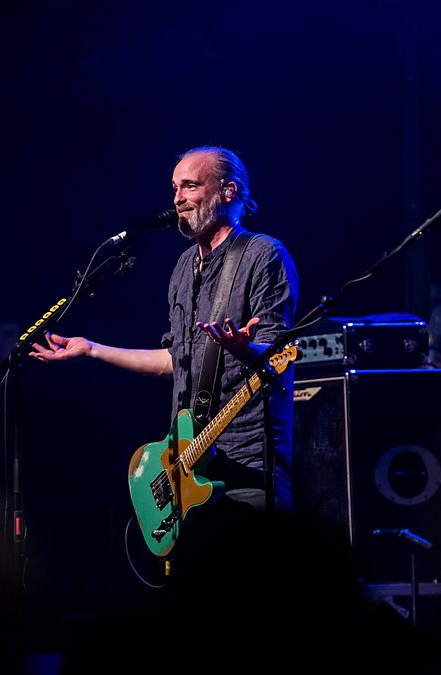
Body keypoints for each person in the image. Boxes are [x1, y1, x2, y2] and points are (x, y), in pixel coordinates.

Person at [30, 145, 299, 524]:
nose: (177, 199)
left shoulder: (263, 254)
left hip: (247, 460)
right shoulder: (184, 266)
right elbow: (174, 361)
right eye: (174, 188)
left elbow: (277, 355)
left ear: (228, 191)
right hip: (186, 464)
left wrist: (245, 348)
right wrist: (92, 349)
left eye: (189, 186)